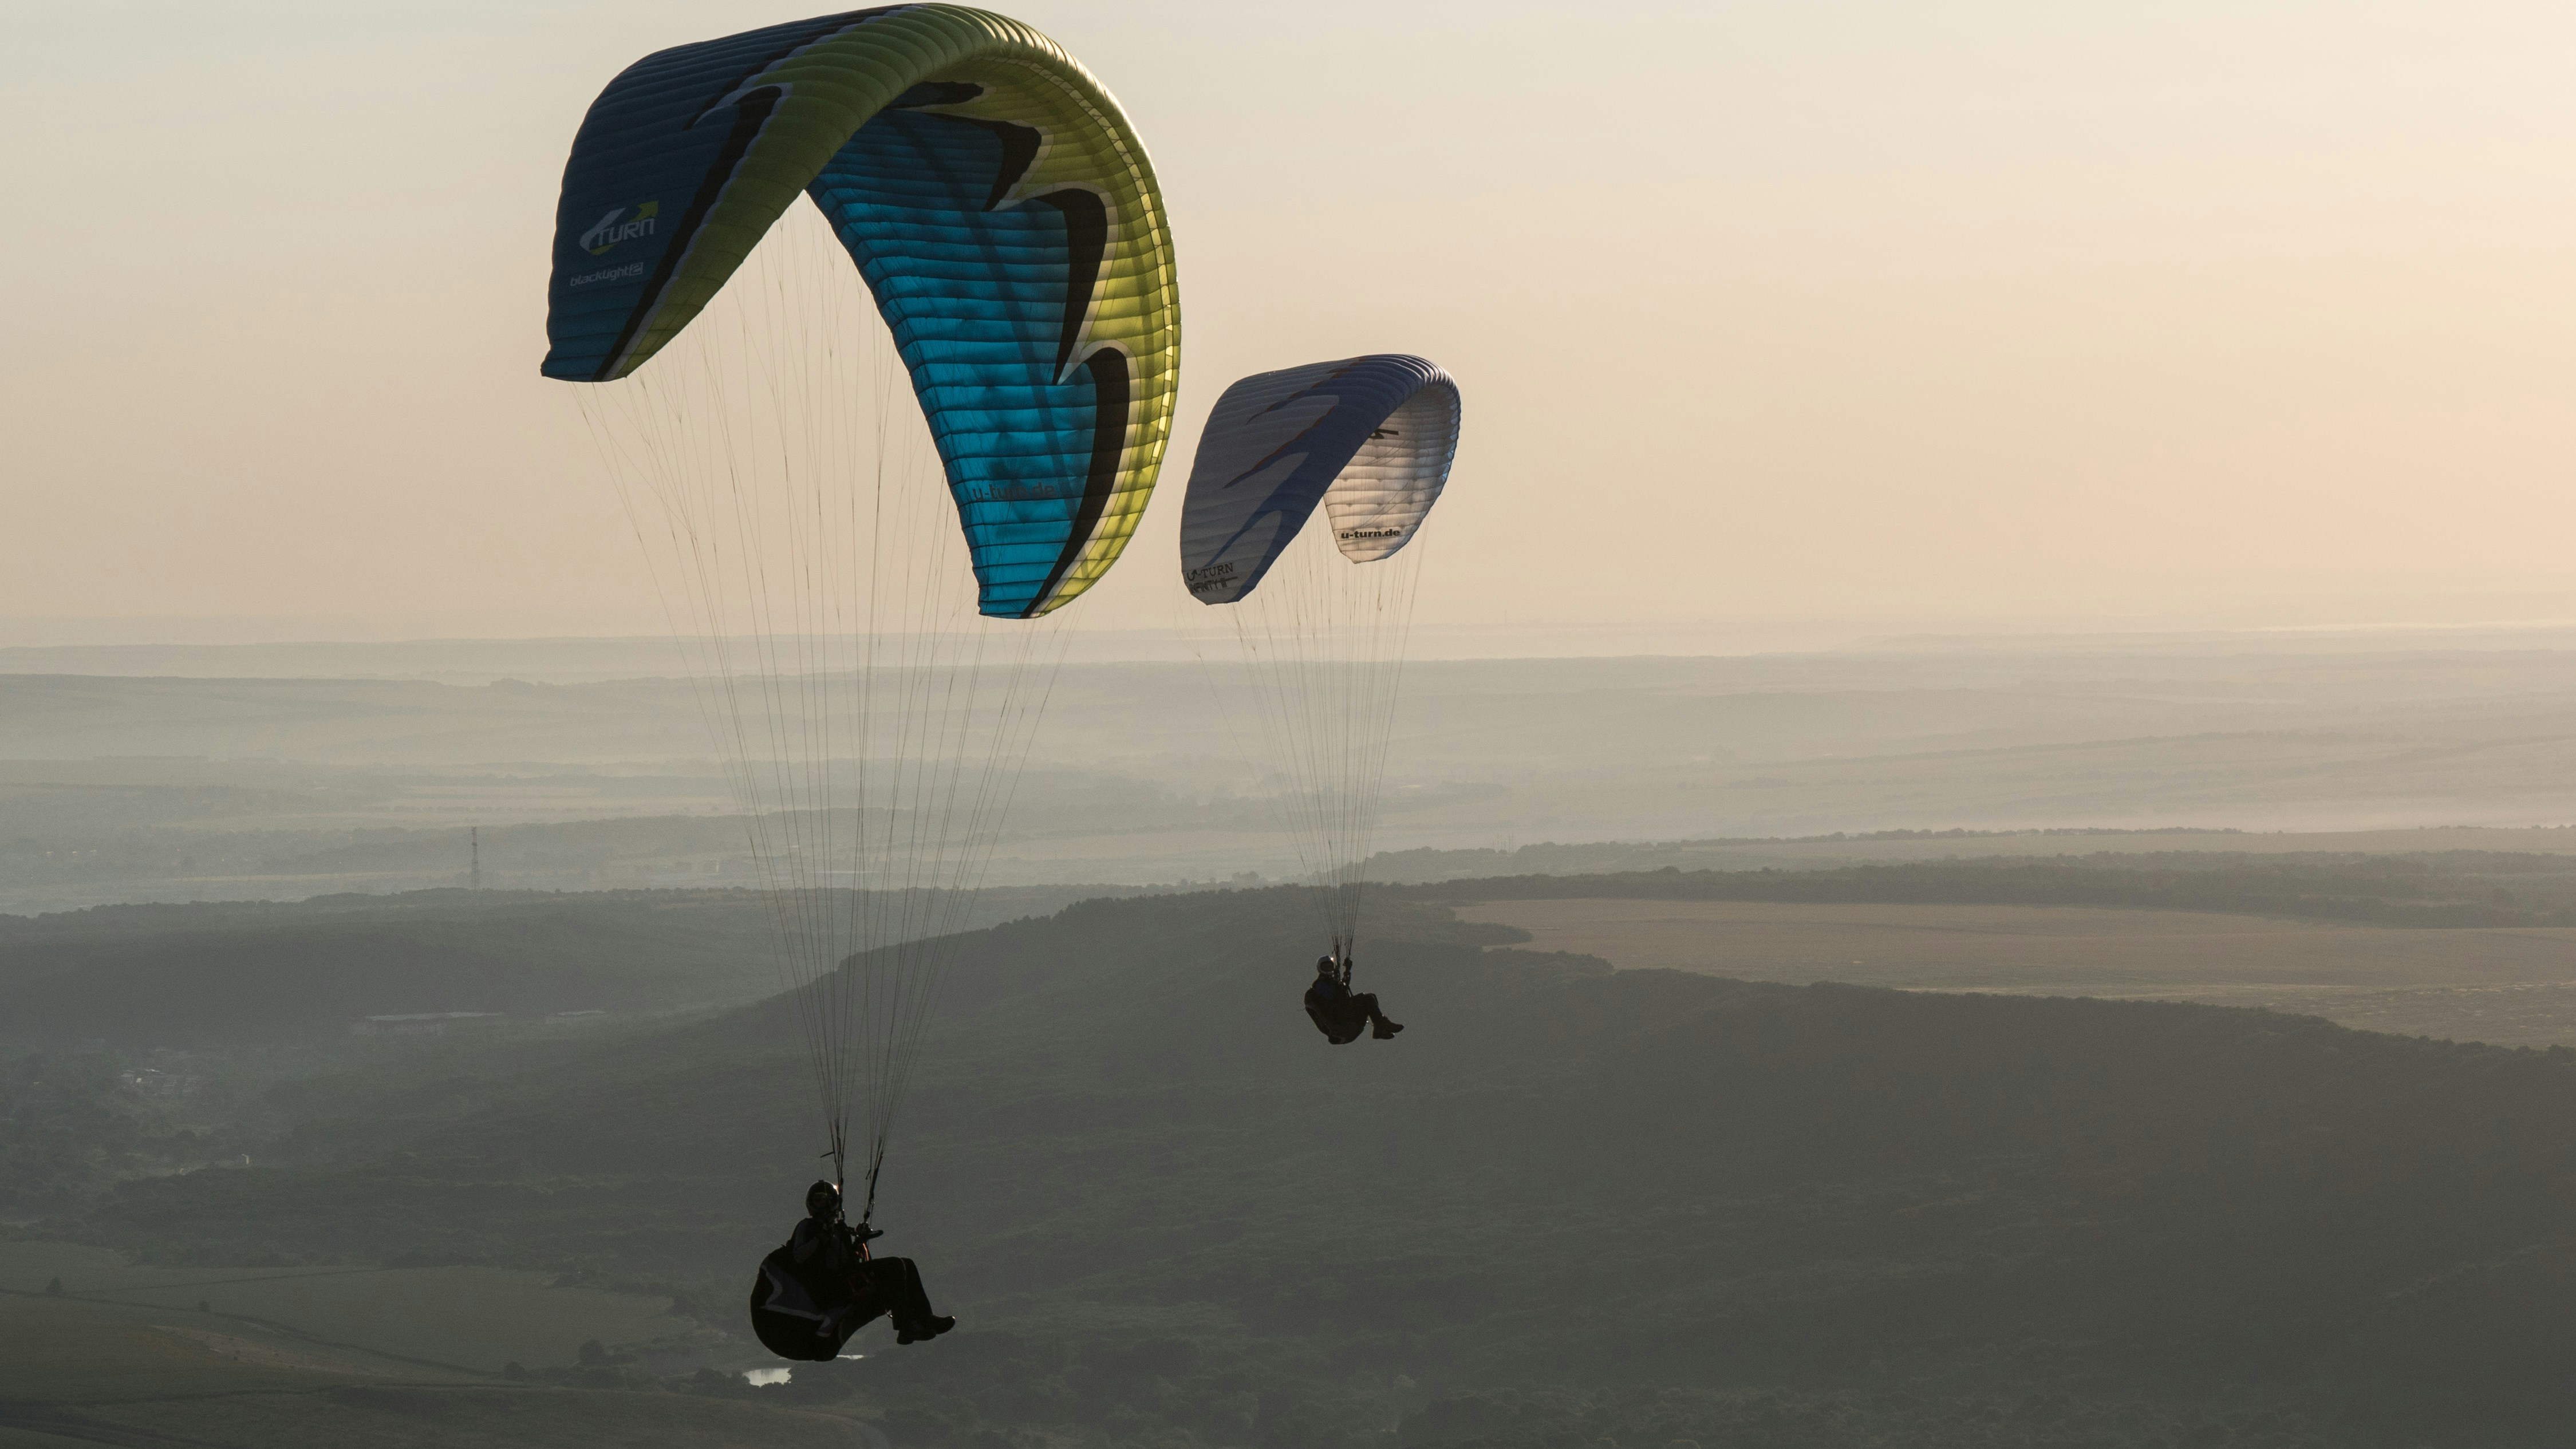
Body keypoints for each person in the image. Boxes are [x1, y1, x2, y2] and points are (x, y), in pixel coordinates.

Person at [747, 1180, 954, 1360]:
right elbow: (799, 1256)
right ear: (811, 1203)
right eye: (819, 1199)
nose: (824, 1204)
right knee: (894, 1266)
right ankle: (905, 1326)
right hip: (826, 1288)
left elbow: (850, 1263)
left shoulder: (839, 1231)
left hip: (843, 1281)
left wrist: (859, 1240)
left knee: (906, 1264)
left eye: (828, 1199)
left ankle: (925, 1318)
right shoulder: (807, 1227)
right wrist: (822, 1237)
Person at [1303, 954, 1402, 1044]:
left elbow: (1341, 989)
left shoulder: (1331, 982)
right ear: (1320, 968)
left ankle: (1379, 1028)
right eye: (1325, 967)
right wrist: (1342, 981)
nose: (1328, 968)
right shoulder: (1320, 985)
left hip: (1343, 1016)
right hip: (1339, 1019)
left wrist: (1347, 971)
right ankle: (1380, 1027)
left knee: (1371, 997)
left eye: (1330, 966)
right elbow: (1335, 998)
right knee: (1367, 999)